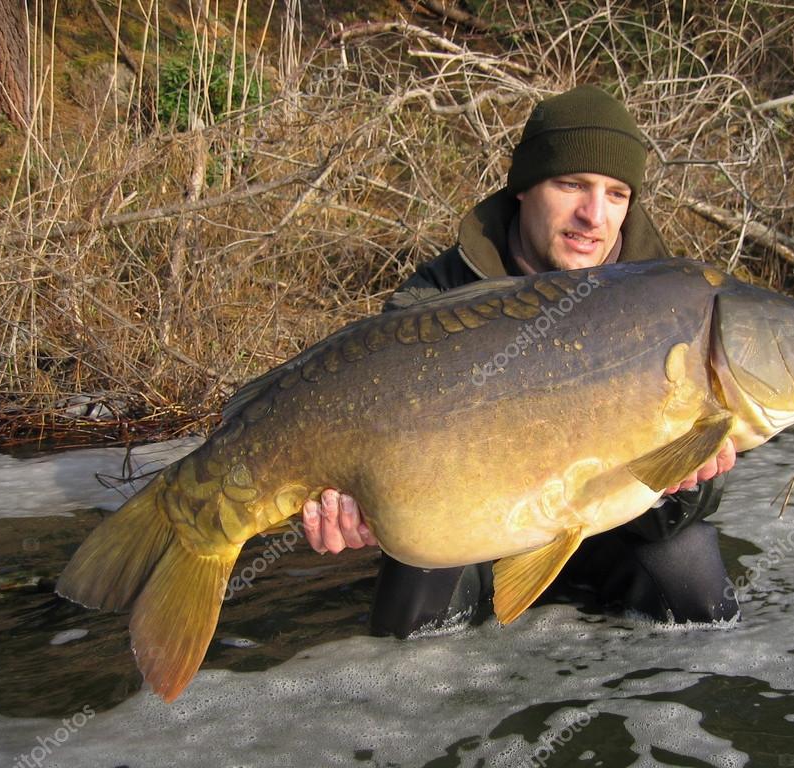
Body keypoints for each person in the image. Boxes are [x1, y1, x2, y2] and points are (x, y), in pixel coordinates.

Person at [302, 85, 740, 637]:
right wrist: (359, 510)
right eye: (571, 184)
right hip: (480, 528)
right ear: (524, 188)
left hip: (616, 525)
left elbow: (703, 485)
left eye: (616, 194)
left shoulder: (675, 303)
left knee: (695, 584)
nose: (594, 216)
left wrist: (688, 480)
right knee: (415, 601)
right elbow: (367, 441)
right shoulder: (435, 299)